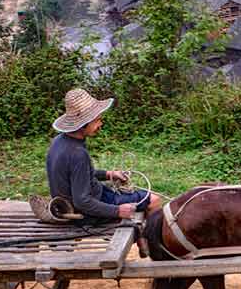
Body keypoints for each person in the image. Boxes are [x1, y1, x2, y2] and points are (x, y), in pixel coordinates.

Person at [46, 88, 161, 221]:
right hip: (84, 212)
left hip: (81, 198)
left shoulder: (59, 141)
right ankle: (149, 240)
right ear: (83, 124)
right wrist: (117, 211)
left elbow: (77, 175)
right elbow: (82, 202)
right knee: (154, 200)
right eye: (97, 120)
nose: (101, 124)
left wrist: (108, 174)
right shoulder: (78, 154)